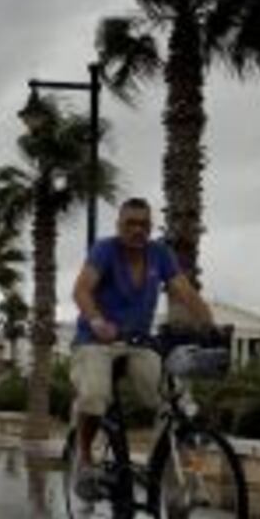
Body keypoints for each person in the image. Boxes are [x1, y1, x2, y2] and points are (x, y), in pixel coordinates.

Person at [70, 197, 216, 479]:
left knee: (169, 400)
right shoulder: (105, 250)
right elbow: (81, 291)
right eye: (131, 224)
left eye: (144, 225)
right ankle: (84, 456)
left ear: (150, 227)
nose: (138, 230)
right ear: (119, 225)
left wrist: (211, 325)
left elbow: (186, 293)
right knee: (95, 395)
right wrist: (98, 322)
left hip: (138, 343)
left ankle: (162, 466)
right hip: (95, 341)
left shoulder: (159, 254)